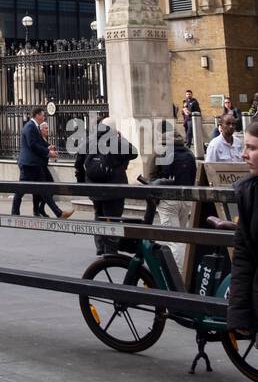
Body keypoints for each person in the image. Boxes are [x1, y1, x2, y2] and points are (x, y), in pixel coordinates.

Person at [72, 115, 138, 253]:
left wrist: (82, 182)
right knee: (113, 218)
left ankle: (100, 247)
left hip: (94, 188)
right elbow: (134, 153)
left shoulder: (90, 140)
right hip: (115, 188)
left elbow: (78, 162)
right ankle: (111, 249)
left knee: (98, 215)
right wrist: (121, 138)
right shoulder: (116, 141)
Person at [11, 107, 73, 218]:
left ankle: (58, 213)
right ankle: (14, 213)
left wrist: (48, 147)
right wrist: (48, 153)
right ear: (37, 115)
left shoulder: (33, 126)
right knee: (21, 190)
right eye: (43, 115)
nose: (44, 117)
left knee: (44, 189)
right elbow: (33, 145)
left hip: (34, 164)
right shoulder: (30, 127)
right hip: (29, 164)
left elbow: (38, 142)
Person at [228, 120, 258, 341]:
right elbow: (243, 257)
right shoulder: (248, 193)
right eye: (245, 147)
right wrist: (240, 314)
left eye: (252, 148)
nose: (244, 155)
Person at [153, 123, 197, 274]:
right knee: (180, 234)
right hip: (186, 198)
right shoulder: (189, 154)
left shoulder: (165, 153)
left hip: (169, 199)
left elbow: (160, 175)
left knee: (174, 238)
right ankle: (177, 268)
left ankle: (180, 272)